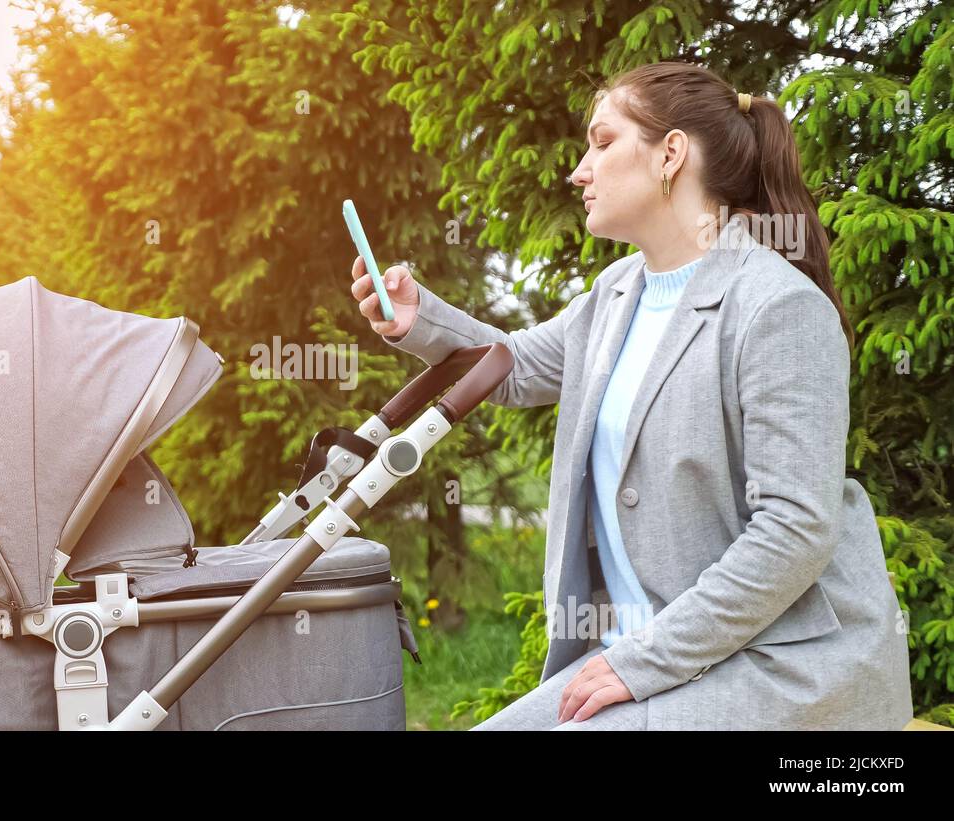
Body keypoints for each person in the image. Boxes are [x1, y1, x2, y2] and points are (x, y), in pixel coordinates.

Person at [349, 61, 912, 730]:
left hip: (771, 666)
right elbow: (519, 365)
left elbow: (794, 531)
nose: (579, 170)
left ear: (671, 153)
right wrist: (423, 321)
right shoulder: (618, 293)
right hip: (646, 660)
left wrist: (637, 663)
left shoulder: (779, 307)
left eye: (603, 141)